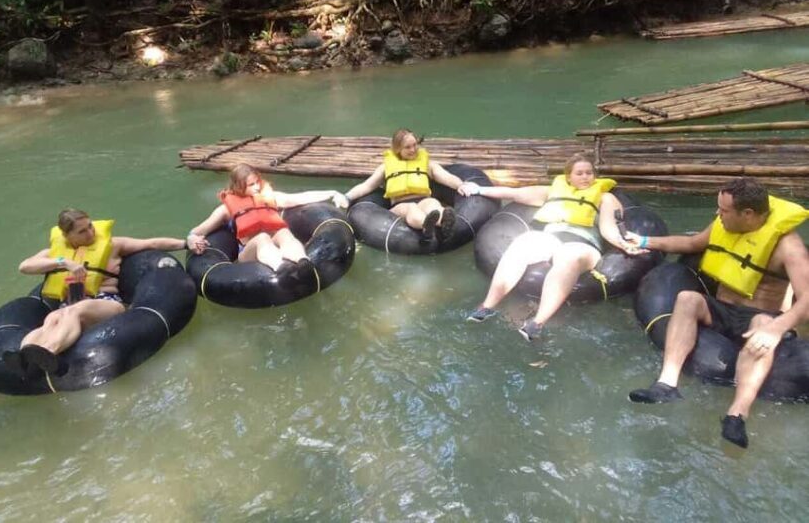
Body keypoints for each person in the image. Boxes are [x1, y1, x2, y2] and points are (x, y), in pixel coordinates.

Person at [625, 178, 809, 448]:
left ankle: (736, 415)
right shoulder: (723, 225)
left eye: (723, 210)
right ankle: (666, 385)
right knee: (687, 298)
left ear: (747, 214)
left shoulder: (788, 247)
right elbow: (691, 245)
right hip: (722, 308)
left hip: (758, 313)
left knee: (761, 323)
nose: (717, 214)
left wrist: (778, 327)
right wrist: (644, 240)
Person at [462, 153, 639, 339]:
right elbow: (513, 193)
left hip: (582, 243)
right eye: (579, 173)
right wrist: (478, 189)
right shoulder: (552, 191)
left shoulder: (605, 198)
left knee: (569, 256)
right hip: (551, 238)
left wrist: (623, 244)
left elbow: (608, 227)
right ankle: (487, 307)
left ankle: (536, 324)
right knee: (523, 243)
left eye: (589, 173)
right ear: (569, 176)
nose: (585, 177)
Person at [3, 209, 194, 377]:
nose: (90, 232)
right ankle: (24, 357)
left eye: (90, 226)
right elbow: (24, 266)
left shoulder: (112, 245)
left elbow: (151, 243)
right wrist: (63, 262)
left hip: (105, 301)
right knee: (52, 318)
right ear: (67, 235)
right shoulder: (55, 253)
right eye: (82, 231)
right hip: (69, 303)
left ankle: (50, 352)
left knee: (74, 311)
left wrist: (186, 243)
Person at [187, 163, 348, 272]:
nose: (257, 187)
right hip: (249, 253)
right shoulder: (225, 210)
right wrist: (191, 239)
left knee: (283, 232)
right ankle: (281, 268)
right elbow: (198, 230)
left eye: (257, 182)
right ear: (238, 187)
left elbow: (300, 197)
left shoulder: (270, 197)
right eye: (251, 185)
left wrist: (332, 192)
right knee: (262, 237)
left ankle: (303, 261)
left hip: (276, 244)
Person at [343, 128, 472, 241]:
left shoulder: (427, 164)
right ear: (398, 149)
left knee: (433, 204)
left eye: (415, 145)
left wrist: (460, 185)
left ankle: (444, 221)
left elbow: (445, 176)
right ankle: (426, 225)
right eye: (408, 147)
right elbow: (367, 186)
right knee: (411, 209)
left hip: (423, 199)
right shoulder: (385, 167)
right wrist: (347, 197)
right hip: (400, 204)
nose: (413, 149)